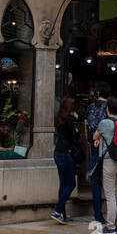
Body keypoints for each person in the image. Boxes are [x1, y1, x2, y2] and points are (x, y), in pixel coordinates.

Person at [94, 97, 117, 234]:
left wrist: (98, 139)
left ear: (107, 109)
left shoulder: (104, 123)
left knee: (110, 195)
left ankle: (110, 226)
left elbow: (95, 135)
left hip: (108, 161)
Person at [50, 96, 79, 224]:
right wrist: (76, 131)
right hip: (66, 153)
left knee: (63, 184)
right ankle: (57, 211)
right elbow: (73, 136)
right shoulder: (69, 120)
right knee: (71, 183)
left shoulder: (60, 117)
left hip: (58, 152)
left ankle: (62, 214)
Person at [84, 89, 108, 226]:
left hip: (94, 144)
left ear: (98, 93)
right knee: (111, 181)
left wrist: (89, 141)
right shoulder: (109, 108)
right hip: (106, 146)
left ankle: (98, 214)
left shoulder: (90, 107)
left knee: (96, 181)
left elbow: (86, 125)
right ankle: (116, 213)